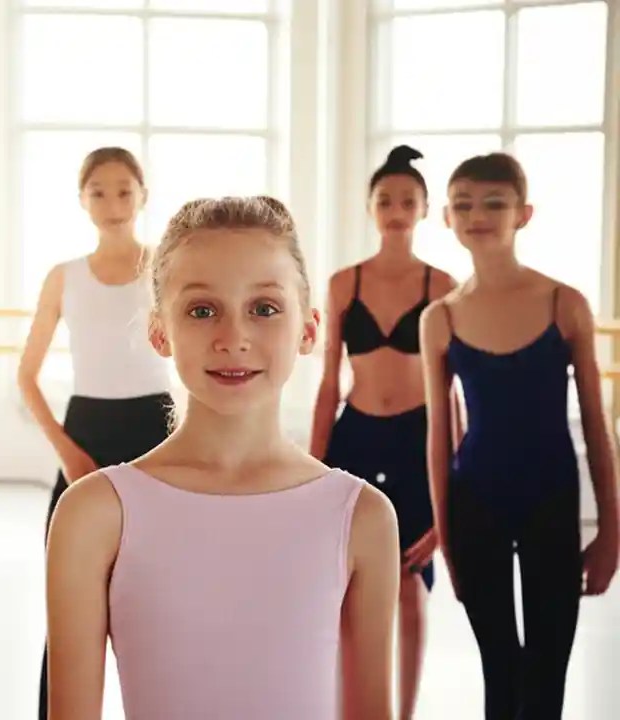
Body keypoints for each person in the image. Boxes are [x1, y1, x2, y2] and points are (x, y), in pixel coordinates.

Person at [47, 197, 399, 720]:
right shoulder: (97, 514)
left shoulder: (361, 517)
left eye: (264, 308)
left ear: (308, 330)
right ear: (159, 331)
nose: (234, 338)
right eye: (202, 310)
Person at [420, 152, 619, 719]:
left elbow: (598, 428)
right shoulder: (441, 317)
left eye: (494, 203)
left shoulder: (565, 303)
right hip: (474, 505)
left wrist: (611, 531)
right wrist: (446, 537)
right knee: (499, 670)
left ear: (523, 214)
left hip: (551, 500)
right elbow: (440, 437)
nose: (477, 214)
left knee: (548, 668)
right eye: (463, 204)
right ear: (446, 217)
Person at [17, 147, 173, 720]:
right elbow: (26, 375)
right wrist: (66, 451)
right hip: (84, 433)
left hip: (156, 431)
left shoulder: (166, 265)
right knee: (71, 606)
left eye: (124, 190)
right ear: (82, 200)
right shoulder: (64, 277)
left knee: (155, 607)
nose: (112, 203)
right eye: (99, 191)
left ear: (143, 197)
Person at [310, 144, 456, 718]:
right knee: (349, 584)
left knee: (409, 583)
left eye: (408, 200)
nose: (396, 209)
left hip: (417, 439)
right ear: (369, 208)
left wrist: (455, 480)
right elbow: (328, 382)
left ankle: (405, 712)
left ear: (424, 210)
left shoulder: (443, 283)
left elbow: (450, 391)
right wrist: (314, 469)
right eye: (385, 200)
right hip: (357, 437)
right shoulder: (344, 282)